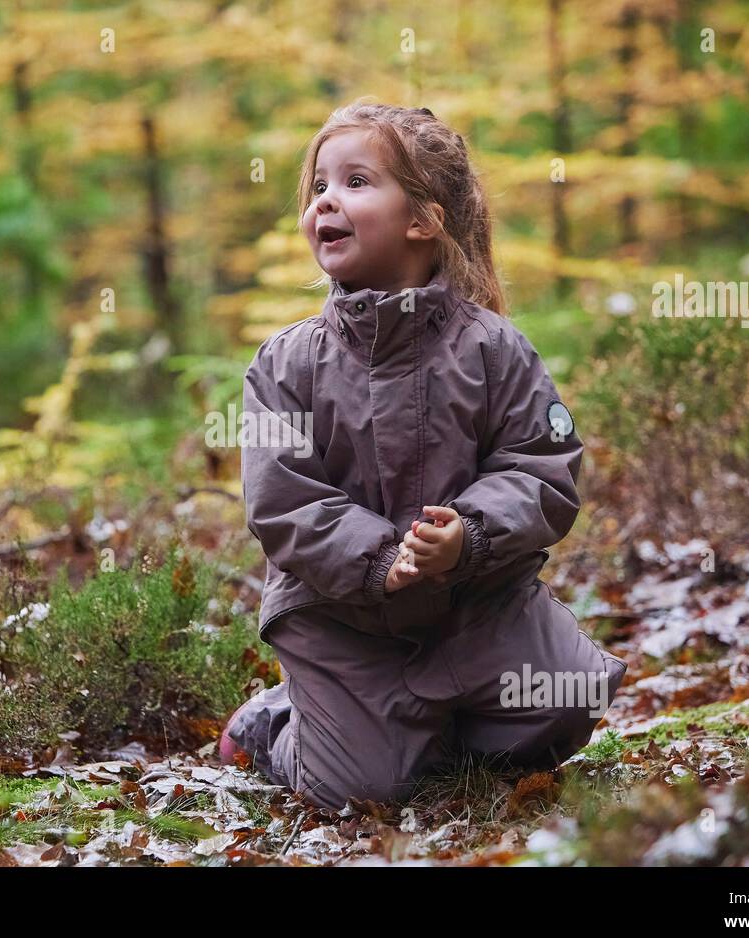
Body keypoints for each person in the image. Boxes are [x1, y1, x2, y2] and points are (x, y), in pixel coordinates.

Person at [221, 101, 627, 812]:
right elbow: (282, 499)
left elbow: (545, 464)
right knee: (360, 791)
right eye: (318, 185)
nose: (325, 201)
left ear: (423, 220)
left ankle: (419, 725)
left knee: (568, 699)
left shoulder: (494, 348)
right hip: (343, 618)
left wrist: (469, 533)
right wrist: (382, 558)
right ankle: (280, 723)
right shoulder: (286, 364)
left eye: (354, 182)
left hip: (475, 606)